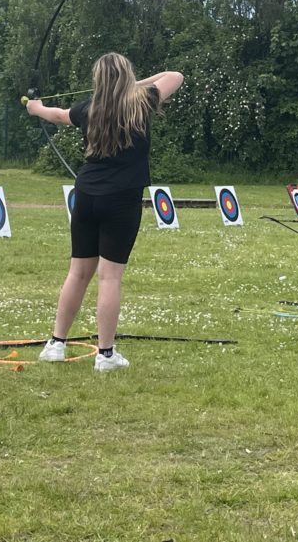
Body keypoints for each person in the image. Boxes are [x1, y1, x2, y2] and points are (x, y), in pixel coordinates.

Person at [25, 54, 183, 371]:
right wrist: (129, 86)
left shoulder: (88, 108)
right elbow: (174, 75)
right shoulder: (143, 101)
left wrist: (35, 108)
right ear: (127, 76)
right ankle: (105, 355)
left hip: (85, 195)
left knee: (78, 272)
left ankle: (56, 344)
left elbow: (55, 114)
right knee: (109, 276)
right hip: (121, 199)